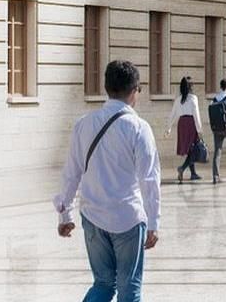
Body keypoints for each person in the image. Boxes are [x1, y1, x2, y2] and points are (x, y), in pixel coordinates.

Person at [54, 60, 160, 302]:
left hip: (92, 217)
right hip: (128, 219)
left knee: (102, 284)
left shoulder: (84, 124)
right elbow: (149, 179)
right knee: (129, 289)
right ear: (135, 91)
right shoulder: (139, 128)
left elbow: (71, 172)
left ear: (106, 87)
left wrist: (65, 214)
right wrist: (154, 222)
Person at [168, 76, 202, 183]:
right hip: (191, 123)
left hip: (182, 124)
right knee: (193, 149)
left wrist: (168, 127)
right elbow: (196, 115)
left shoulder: (178, 99)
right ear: (191, 86)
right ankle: (182, 168)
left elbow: (173, 114)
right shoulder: (193, 98)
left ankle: (193, 173)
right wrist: (199, 129)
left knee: (190, 149)